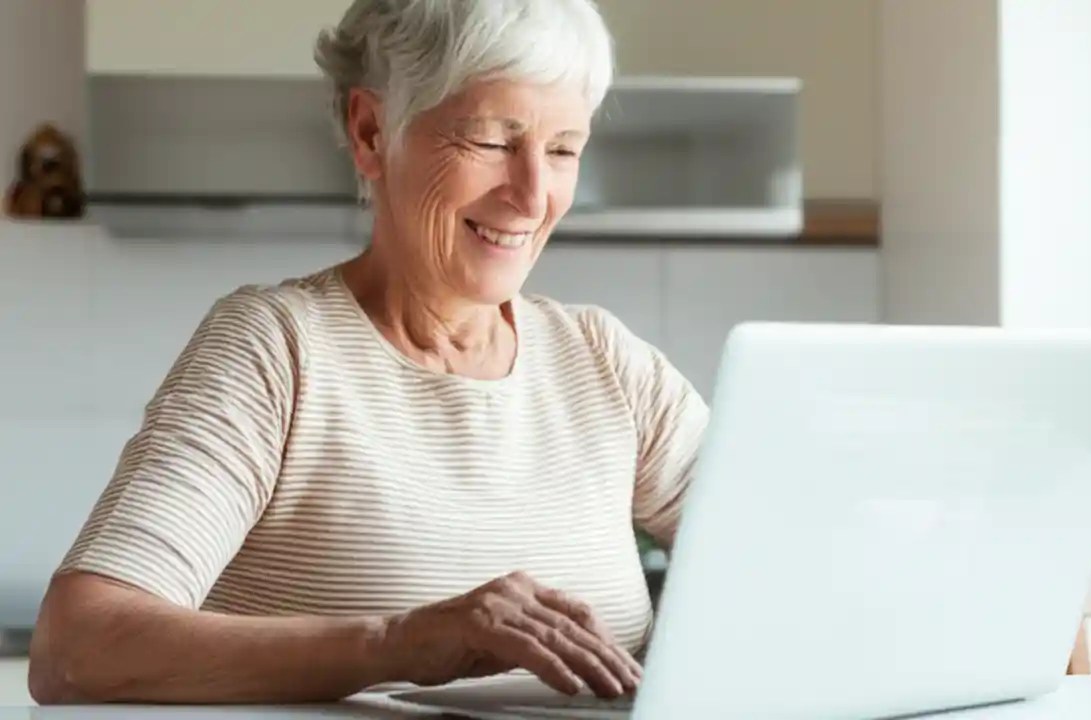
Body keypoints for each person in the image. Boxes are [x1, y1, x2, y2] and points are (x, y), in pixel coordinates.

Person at [27, 0, 708, 705]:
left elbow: (801, 554)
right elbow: (76, 647)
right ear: (371, 131)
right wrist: (398, 643)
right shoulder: (278, 352)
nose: (533, 195)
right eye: (490, 141)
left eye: (563, 149)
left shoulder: (608, 364)